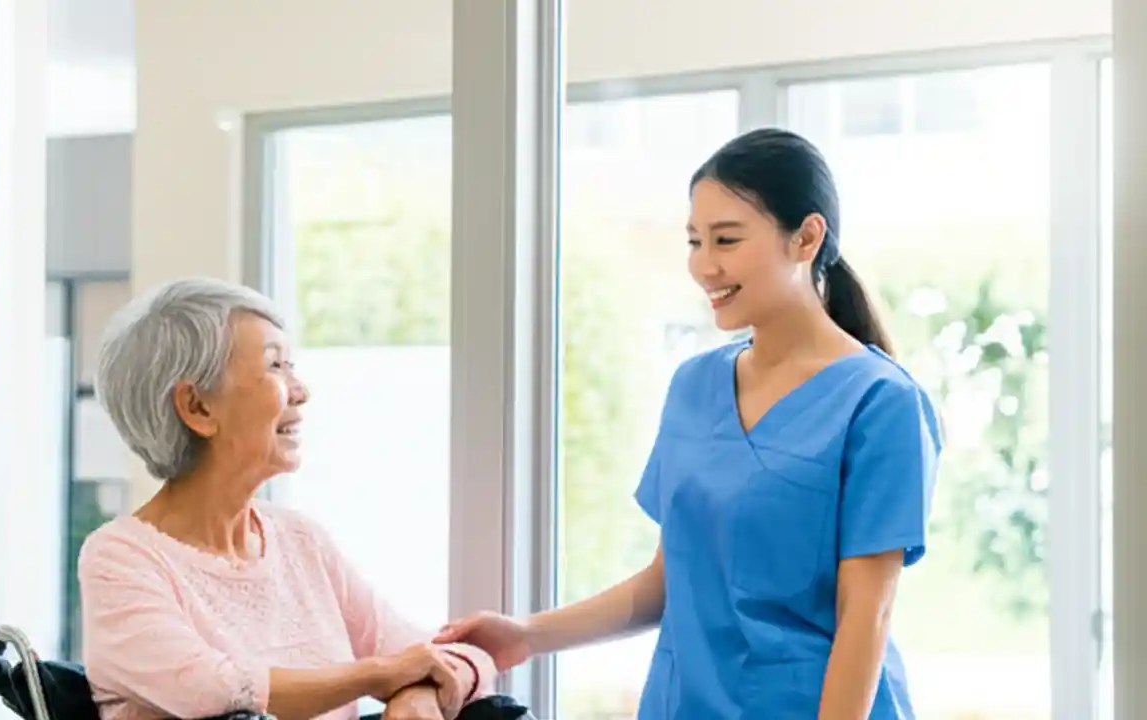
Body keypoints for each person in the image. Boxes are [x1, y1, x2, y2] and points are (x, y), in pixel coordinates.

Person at [436, 128, 942, 718]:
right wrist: (526, 635)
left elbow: (867, 615)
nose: (704, 265)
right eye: (694, 240)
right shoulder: (694, 387)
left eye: (726, 239)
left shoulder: (881, 403)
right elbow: (669, 579)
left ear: (806, 238)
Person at [78, 278, 496, 720]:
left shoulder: (301, 541)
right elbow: (209, 689)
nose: (301, 390)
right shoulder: (121, 558)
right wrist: (379, 675)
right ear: (197, 407)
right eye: (275, 366)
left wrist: (418, 693)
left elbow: (454, 656)